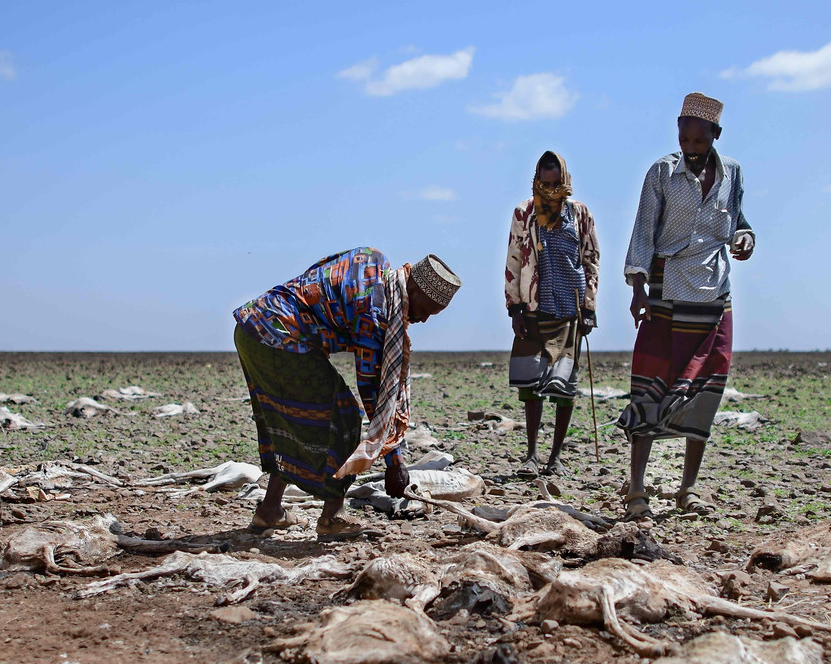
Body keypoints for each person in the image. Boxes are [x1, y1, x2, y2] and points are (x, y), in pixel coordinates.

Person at [233, 248, 461, 538]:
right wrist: (394, 461)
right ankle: (332, 517)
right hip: (280, 340)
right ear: (413, 288)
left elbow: (317, 270)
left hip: (252, 328)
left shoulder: (372, 259)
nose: (424, 320)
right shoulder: (375, 310)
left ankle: (269, 510)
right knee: (345, 417)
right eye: (425, 310)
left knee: (288, 420)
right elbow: (373, 391)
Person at [618, 93, 755, 520]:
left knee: (707, 387)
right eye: (685, 137)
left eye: (699, 139)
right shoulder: (662, 172)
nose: (691, 146)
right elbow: (644, 230)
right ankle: (637, 488)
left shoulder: (731, 171)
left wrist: (746, 238)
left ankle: (688, 488)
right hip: (666, 288)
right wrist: (638, 287)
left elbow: (738, 220)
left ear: (715, 135)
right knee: (650, 384)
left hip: (714, 294)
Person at [504, 150, 600, 478]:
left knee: (564, 386)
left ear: (565, 181)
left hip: (568, 309)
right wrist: (514, 306)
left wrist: (588, 307)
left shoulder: (580, 215)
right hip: (533, 308)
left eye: (555, 183)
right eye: (544, 184)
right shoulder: (525, 214)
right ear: (536, 181)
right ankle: (531, 455)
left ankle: (555, 458)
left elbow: (591, 259)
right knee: (531, 385)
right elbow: (514, 260)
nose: (549, 190)